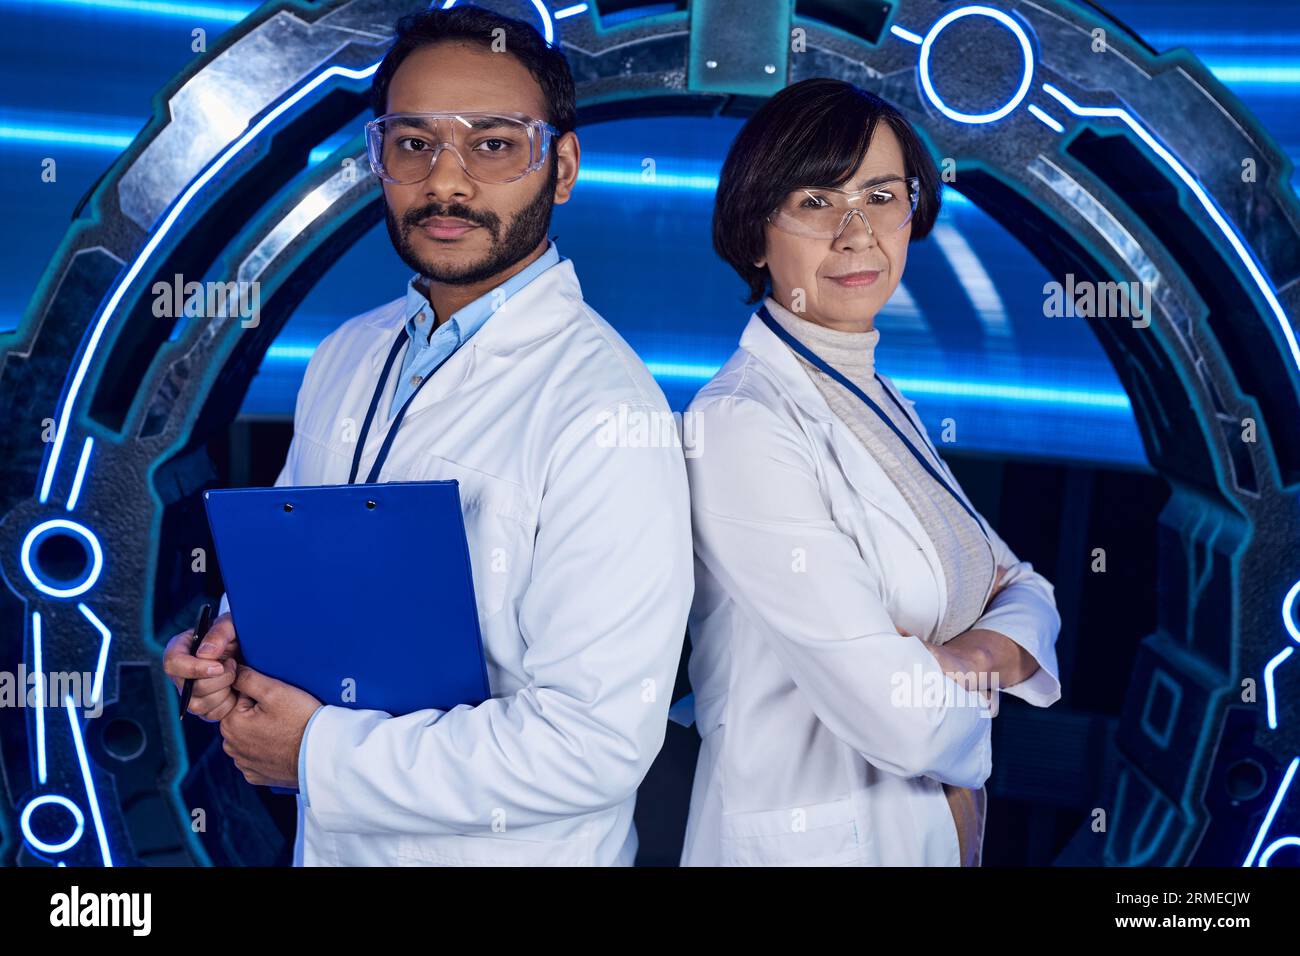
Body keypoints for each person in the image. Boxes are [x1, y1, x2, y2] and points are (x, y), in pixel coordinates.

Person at [162, 5, 693, 867]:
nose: (446, 182)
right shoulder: (349, 353)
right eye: (413, 144)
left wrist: (317, 754)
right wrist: (232, 639)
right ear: (379, 160)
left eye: (493, 144)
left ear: (560, 168)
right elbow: (306, 565)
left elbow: (593, 747)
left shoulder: (606, 413)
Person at [680, 78, 1062, 866]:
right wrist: (975, 672)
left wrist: (960, 662)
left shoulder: (883, 400)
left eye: (882, 195)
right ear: (756, 235)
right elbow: (903, 717)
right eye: (816, 202)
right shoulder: (741, 424)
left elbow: (1028, 590)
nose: (857, 234)